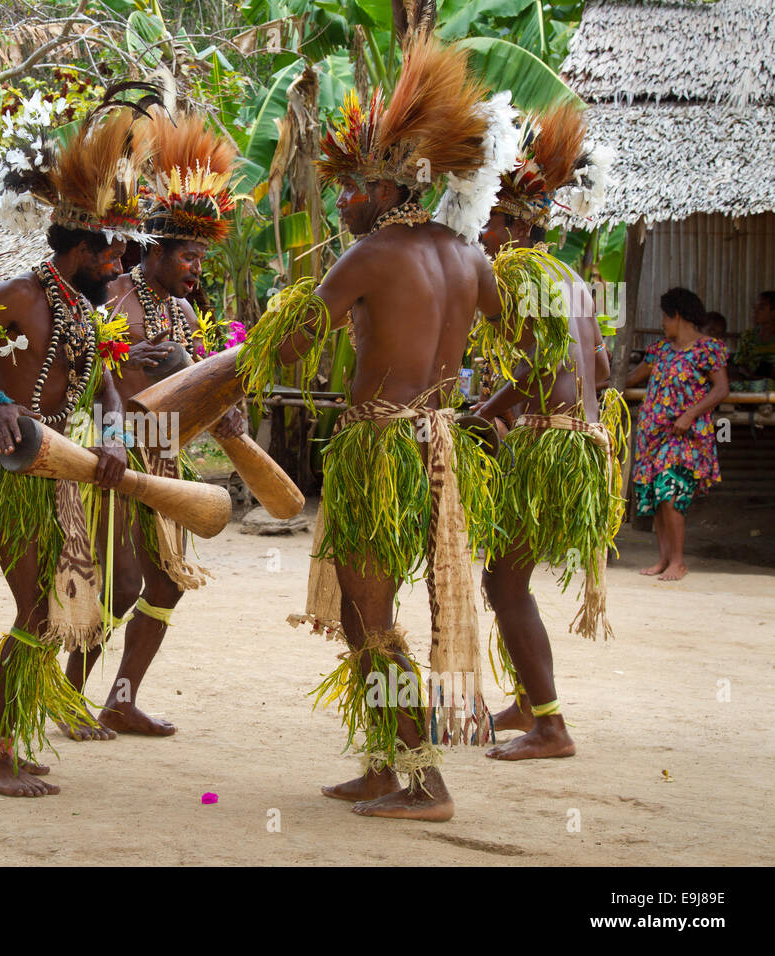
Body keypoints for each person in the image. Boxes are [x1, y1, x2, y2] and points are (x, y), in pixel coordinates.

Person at [235, 36, 517, 820]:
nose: (344, 200)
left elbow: (293, 344)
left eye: (351, 186)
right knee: (368, 614)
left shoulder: (369, 253)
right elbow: (524, 337)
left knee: (375, 617)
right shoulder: (471, 260)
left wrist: (272, 321)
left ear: (384, 185)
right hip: (438, 447)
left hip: (378, 452)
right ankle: (382, 765)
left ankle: (426, 783)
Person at [0, 101, 150, 796]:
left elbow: (108, 389)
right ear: (78, 248)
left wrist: (111, 434)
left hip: (56, 472)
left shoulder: (88, 311)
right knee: (42, 614)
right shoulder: (18, 295)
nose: (119, 266)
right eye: (111, 254)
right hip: (7, 472)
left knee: (49, 610)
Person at [62, 111, 246, 739]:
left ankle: (121, 698)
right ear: (159, 251)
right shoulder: (111, 295)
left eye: (200, 258)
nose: (196, 269)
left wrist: (194, 367)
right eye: (188, 256)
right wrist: (119, 363)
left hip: (166, 460)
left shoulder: (188, 313)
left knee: (167, 585)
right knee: (118, 587)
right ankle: (65, 696)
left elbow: (204, 387)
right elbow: (84, 377)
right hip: (113, 457)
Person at [472, 103, 626, 760]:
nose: (480, 233)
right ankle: (532, 703)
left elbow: (540, 369)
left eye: (488, 221)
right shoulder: (574, 281)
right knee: (506, 579)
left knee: (504, 582)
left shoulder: (520, 273)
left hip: (551, 445)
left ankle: (551, 726)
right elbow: (600, 367)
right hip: (584, 441)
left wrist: (486, 413)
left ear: (513, 223)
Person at [626, 287, 730, 581]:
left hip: (686, 435)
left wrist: (689, 414)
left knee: (671, 491)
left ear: (678, 316)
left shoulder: (708, 349)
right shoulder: (659, 350)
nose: (662, 323)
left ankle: (679, 562)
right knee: (658, 495)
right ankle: (664, 559)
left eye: (665, 316)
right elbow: (632, 378)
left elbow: (721, 389)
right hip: (653, 435)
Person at [734, 291, 775, 380]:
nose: (755, 312)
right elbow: (740, 364)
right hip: (752, 382)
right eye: (754, 308)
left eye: (761, 308)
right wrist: (751, 375)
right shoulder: (747, 336)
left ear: (773, 313)